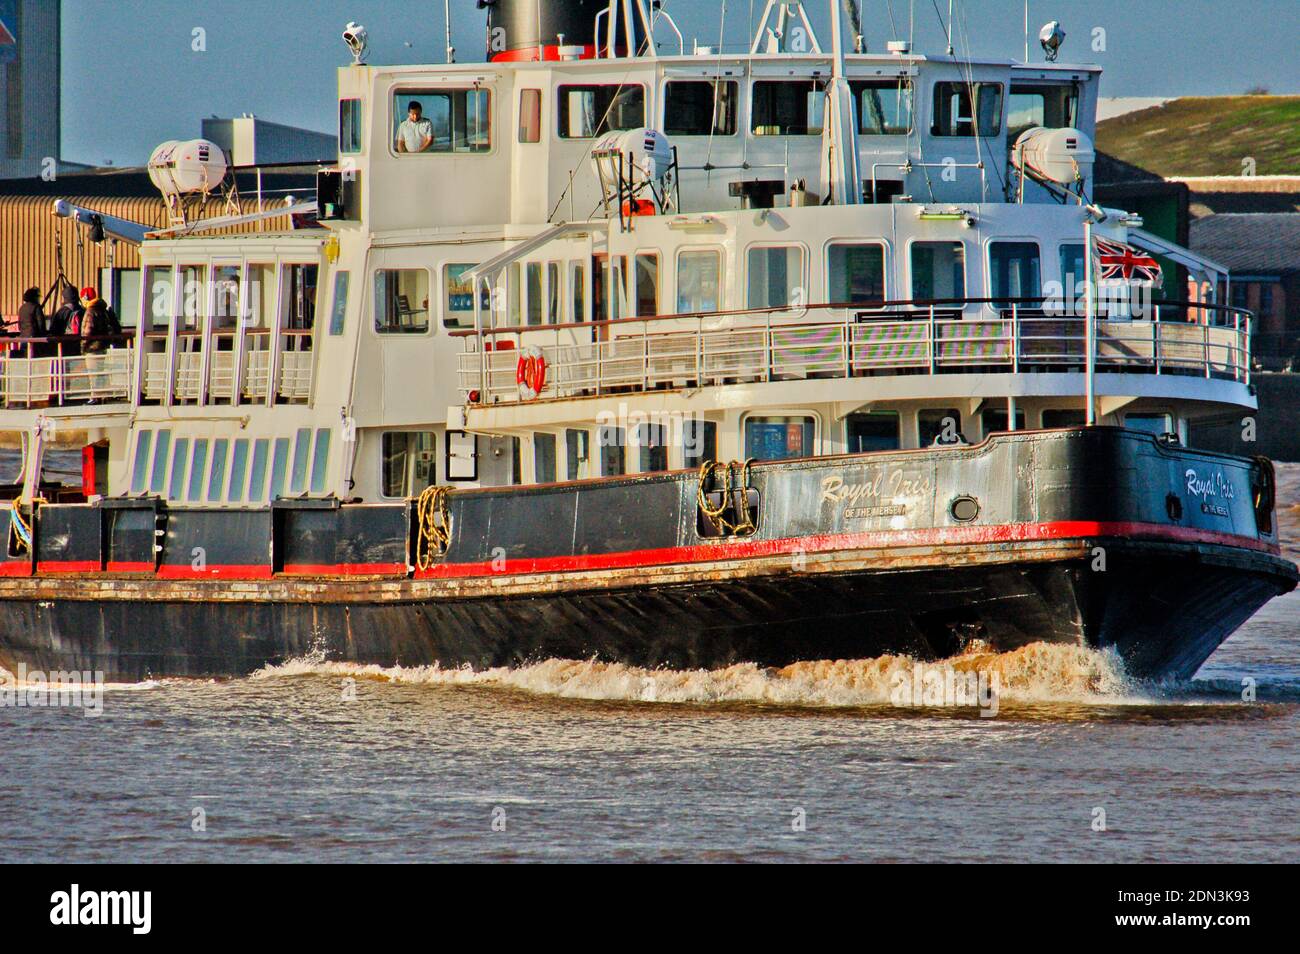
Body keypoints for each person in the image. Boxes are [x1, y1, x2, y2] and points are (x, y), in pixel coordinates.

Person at [80, 286, 111, 353]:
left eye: (82, 298)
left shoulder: (90, 311)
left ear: (86, 298)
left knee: (91, 363)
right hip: (102, 346)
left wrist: (83, 347)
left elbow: (87, 331)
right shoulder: (102, 310)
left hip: (91, 348)